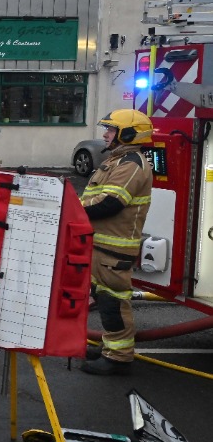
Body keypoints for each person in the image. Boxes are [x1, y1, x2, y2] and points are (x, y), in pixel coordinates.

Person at [80, 110, 153, 376]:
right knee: (104, 298)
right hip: (102, 246)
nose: (105, 134)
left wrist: (72, 210)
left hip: (115, 248)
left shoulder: (131, 164)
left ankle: (119, 357)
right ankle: (110, 347)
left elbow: (110, 202)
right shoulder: (117, 161)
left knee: (113, 302)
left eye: (110, 130)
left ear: (128, 134)